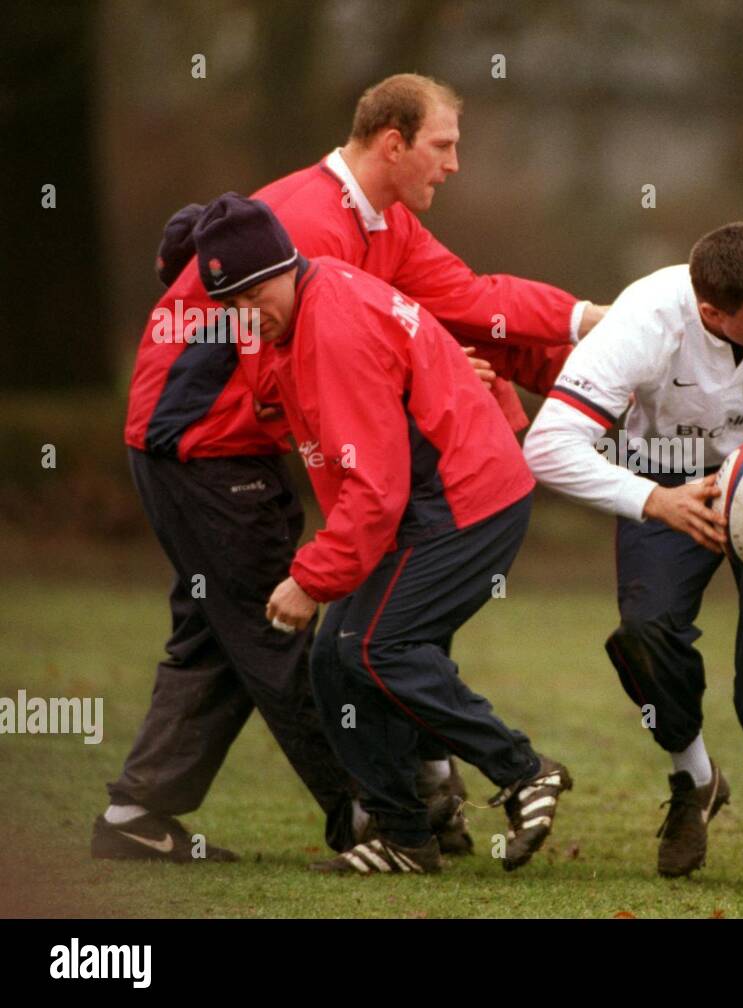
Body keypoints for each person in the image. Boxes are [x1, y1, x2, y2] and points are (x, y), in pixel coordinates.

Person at [99, 73, 601, 863]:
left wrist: (588, 327)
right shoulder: (303, 233)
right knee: (294, 627)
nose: (455, 164)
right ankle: (380, 812)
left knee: (241, 627)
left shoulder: (374, 225)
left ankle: (143, 815)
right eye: (444, 145)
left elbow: (465, 299)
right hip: (204, 450)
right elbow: (308, 381)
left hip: (243, 451)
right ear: (392, 143)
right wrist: (427, 375)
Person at [191, 192, 573, 874]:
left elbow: (376, 486)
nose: (247, 315)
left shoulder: (331, 325)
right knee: (334, 659)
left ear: (285, 264)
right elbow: (313, 424)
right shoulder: (303, 307)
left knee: (375, 648)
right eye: (233, 306)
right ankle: (406, 835)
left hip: (465, 499)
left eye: (254, 294)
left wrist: (312, 578)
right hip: (429, 500)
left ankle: (522, 769)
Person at [523, 222, 743, 884]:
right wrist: (655, 500)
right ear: (713, 313)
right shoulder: (643, 319)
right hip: (666, 474)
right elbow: (548, 444)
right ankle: (695, 780)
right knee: (644, 633)